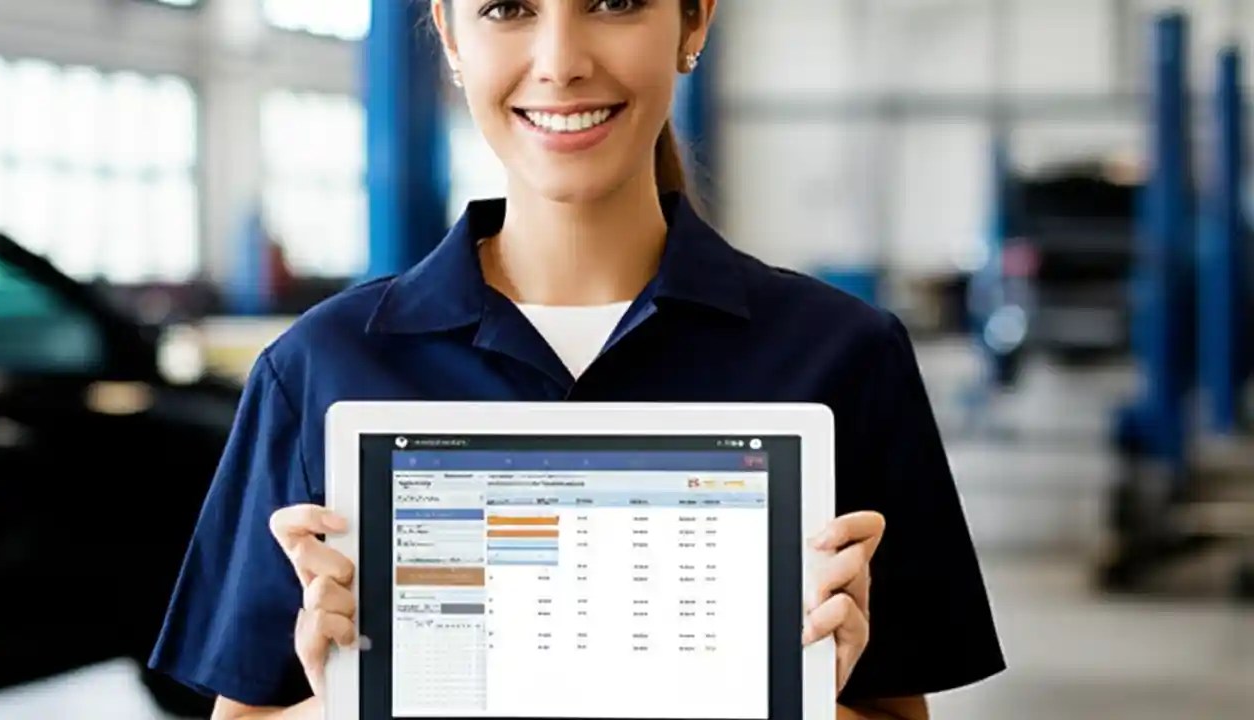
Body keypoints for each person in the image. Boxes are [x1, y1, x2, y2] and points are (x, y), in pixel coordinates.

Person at [147, 1, 1006, 718]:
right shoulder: (320, 370)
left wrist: (807, 694)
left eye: (615, 2)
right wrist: (344, 702)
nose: (560, 61)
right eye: (507, 9)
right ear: (450, 36)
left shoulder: (843, 359)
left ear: (694, 22)